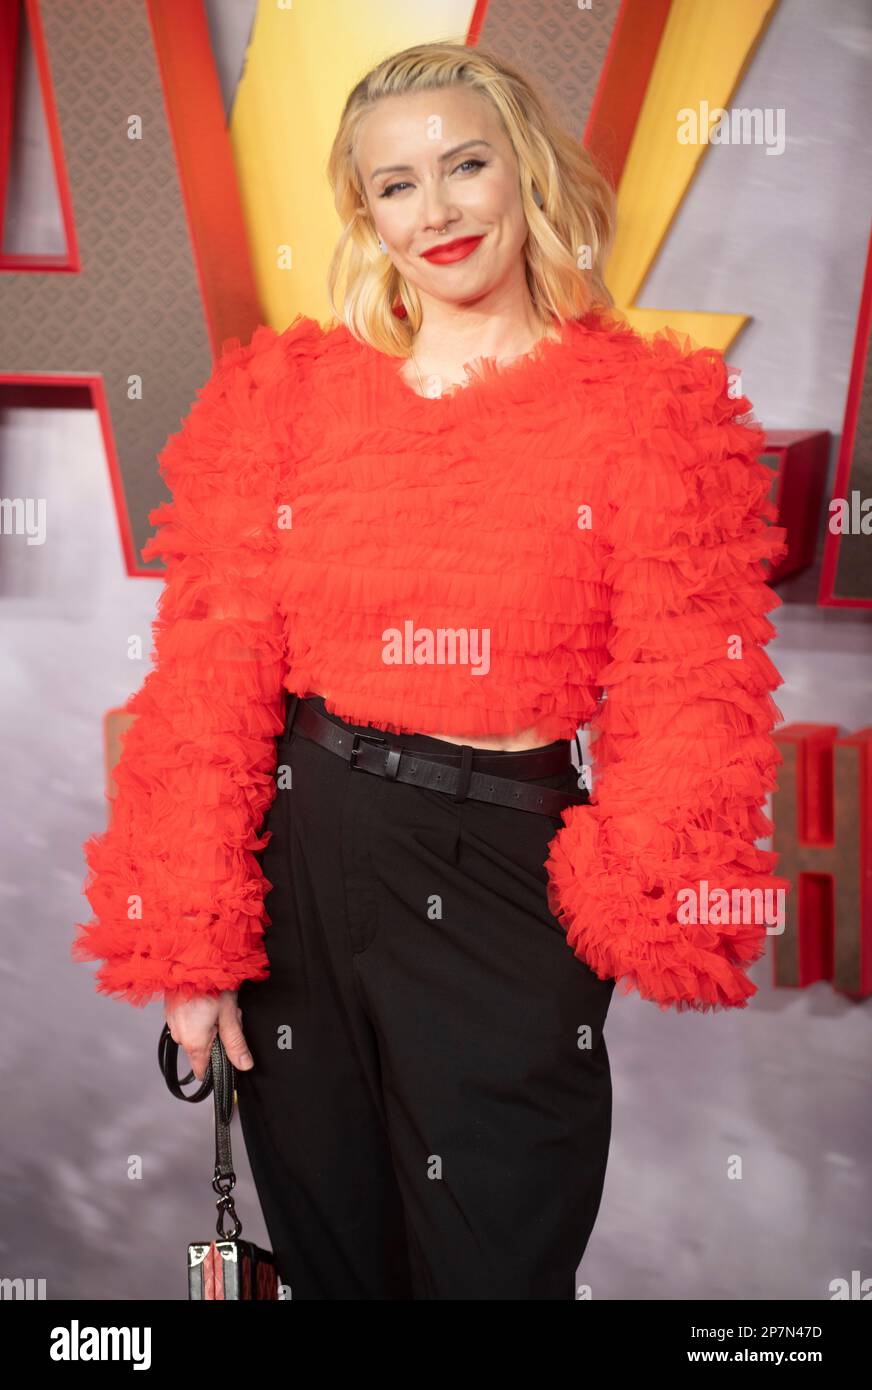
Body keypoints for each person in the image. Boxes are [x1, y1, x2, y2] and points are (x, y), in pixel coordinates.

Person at [72, 42, 789, 1300]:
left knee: (495, 1266)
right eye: (395, 185)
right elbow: (206, 683)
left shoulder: (648, 410)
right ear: (364, 214)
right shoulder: (282, 399)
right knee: (336, 1263)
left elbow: (689, 679)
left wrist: (654, 890)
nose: (437, 210)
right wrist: (188, 942)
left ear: (529, 175)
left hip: (502, 860)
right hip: (304, 844)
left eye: (466, 165)